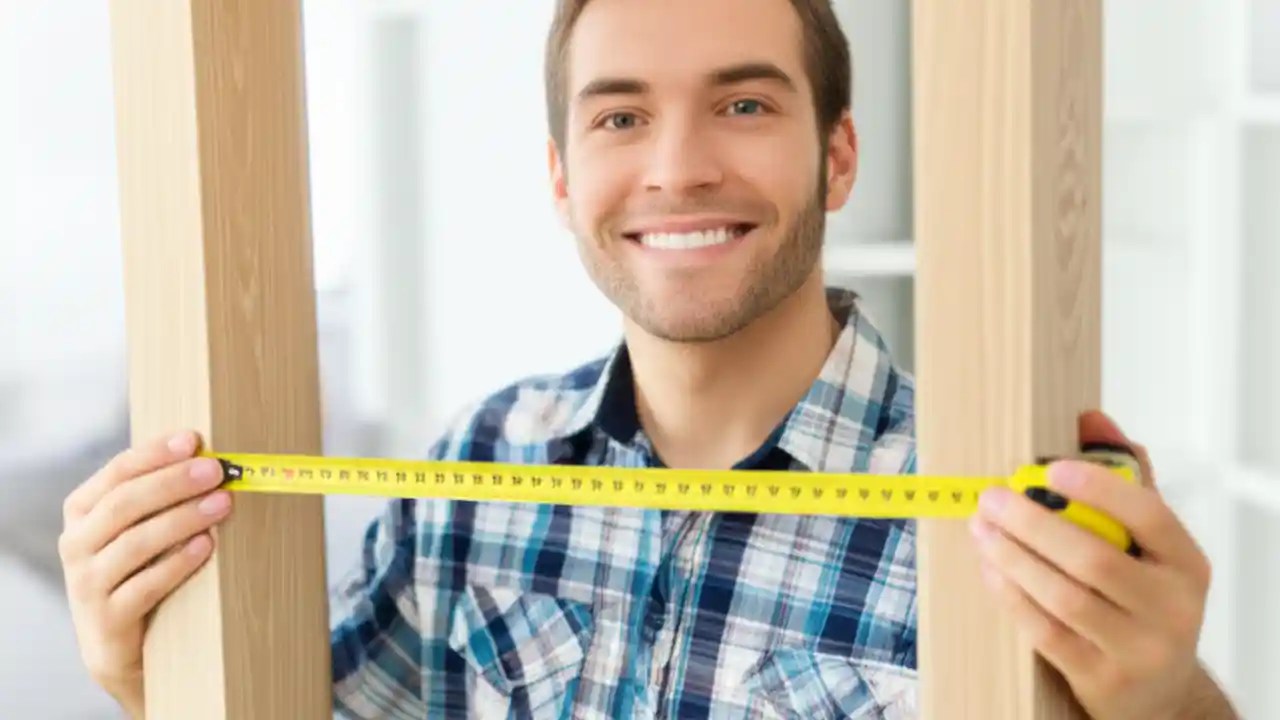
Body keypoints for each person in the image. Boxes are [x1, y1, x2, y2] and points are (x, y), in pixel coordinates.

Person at [58, 0, 1239, 717]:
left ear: (835, 159)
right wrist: (148, 676)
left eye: (740, 106)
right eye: (620, 117)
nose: (675, 169)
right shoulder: (475, 467)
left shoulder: (992, 514)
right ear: (563, 177)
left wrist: (1166, 707)